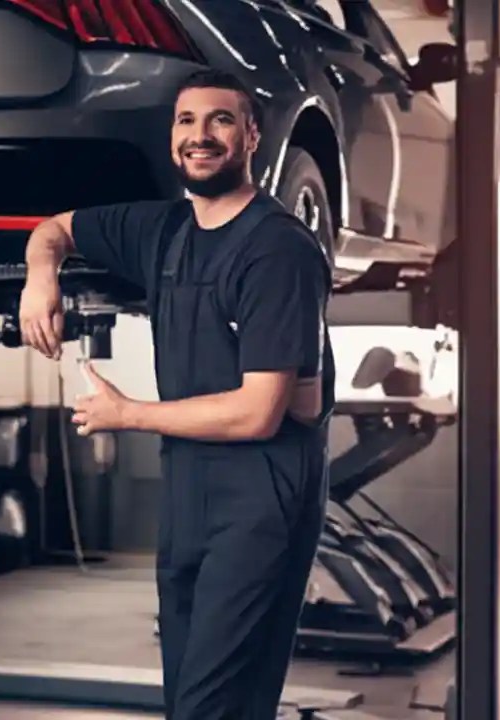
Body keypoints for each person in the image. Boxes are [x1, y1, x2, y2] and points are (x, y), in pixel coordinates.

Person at [17, 68, 336, 720]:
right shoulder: (163, 230)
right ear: (172, 140)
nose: (200, 136)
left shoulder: (278, 250)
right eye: (187, 121)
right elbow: (54, 229)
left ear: (252, 136)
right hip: (189, 487)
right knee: (189, 690)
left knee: (215, 701)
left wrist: (126, 414)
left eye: (220, 120)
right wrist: (39, 278)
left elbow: (257, 413)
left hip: (262, 495)